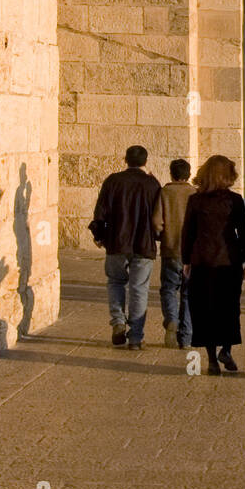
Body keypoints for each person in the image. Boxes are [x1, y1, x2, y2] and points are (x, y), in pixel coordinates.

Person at [180, 155, 245, 374]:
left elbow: (188, 233)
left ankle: (212, 359)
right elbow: (244, 234)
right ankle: (226, 349)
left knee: (205, 310)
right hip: (228, 261)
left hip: (202, 261)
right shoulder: (234, 200)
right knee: (229, 308)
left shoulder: (195, 200)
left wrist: (186, 260)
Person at [90, 145, 161, 350]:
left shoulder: (113, 181)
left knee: (115, 281)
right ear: (145, 161)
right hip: (143, 243)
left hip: (116, 242)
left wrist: (99, 236)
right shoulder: (152, 184)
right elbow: (158, 217)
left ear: (125, 159)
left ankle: (118, 322)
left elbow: (100, 211)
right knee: (139, 289)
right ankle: (136, 337)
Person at [153, 158, 195, 348]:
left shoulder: (165, 192)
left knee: (169, 289)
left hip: (170, 249)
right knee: (188, 294)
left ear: (171, 173)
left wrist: (161, 235)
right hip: (192, 253)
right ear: (189, 174)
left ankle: (171, 320)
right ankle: (186, 337)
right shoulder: (195, 194)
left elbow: (156, 222)